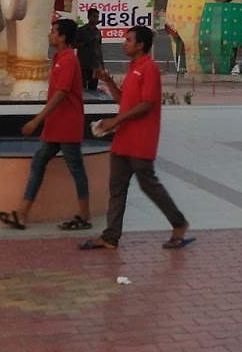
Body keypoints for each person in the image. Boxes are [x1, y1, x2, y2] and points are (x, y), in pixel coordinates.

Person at [79, 25, 193, 251]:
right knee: (117, 189)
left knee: (150, 186)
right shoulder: (134, 68)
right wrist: (108, 81)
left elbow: (146, 105)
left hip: (141, 139)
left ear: (140, 45)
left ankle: (179, 224)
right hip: (123, 139)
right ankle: (111, 236)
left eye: (129, 40)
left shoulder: (149, 68)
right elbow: (125, 102)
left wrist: (115, 121)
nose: (125, 43)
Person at [0, 18, 92, 231]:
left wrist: (36, 120)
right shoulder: (59, 58)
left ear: (62, 37)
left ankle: (84, 215)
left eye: (53, 32)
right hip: (56, 124)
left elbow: (60, 95)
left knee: (75, 168)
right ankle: (22, 213)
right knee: (40, 163)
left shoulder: (68, 60)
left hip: (66, 124)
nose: (50, 35)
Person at [74, 8, 102, 92]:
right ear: (89, 17)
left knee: (93, 88)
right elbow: (73, 45)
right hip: (83, 64)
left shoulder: (98, 32)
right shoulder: (81, 30)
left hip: (94, 65)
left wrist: (102, 65)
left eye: (97, 17)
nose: (96, 19)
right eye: (94, 16)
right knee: (81, 88)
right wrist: (85, 43)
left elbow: (99, 48)